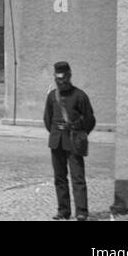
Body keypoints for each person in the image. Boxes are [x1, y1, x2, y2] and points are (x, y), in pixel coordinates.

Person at [44, 60, 96, 220]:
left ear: (70, 76)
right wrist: (55, 132)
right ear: (55, 78)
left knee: (77, 178)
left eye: (64, 79)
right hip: (56, 143)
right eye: (58, 79)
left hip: (73, 142)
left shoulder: (80, 96)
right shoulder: (52, 95)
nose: (61, 82)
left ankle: (81, 212)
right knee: (59, 178)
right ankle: (63, 211)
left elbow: (90, 120)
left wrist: (75, 128)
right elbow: (47, 119)